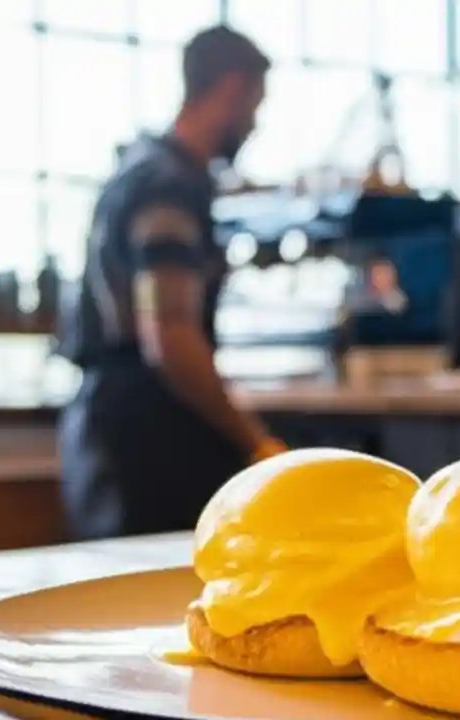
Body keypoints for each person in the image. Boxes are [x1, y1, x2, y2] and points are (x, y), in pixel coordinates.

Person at [58, 26, 286, 539]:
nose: (253, 123)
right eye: (255, 105)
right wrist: (255, 442)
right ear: (231, 89)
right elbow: (171, 336)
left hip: (109, 427)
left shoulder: (140, 169)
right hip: (140, 439)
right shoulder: (169, 186)